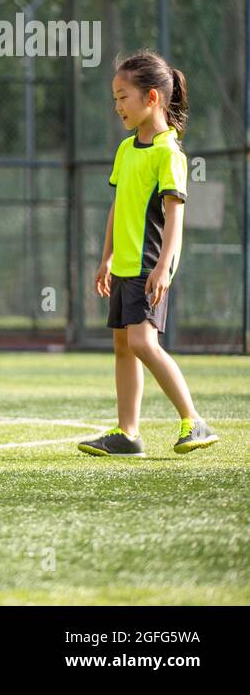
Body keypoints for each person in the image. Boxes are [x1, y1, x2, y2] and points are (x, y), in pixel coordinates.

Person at [78, 50, 219, 457]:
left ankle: (194, 420)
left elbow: (175, 219)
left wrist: (163, 267)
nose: (118, 106)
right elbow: (118, 206)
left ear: (152, 98)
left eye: (124, 96)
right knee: (123, 347)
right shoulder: (125, 150)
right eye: (115, 99)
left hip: (147, 266)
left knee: (143, 343)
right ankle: (128, 434)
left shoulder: (169, 153)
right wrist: (105, 258)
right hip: (123, 266)